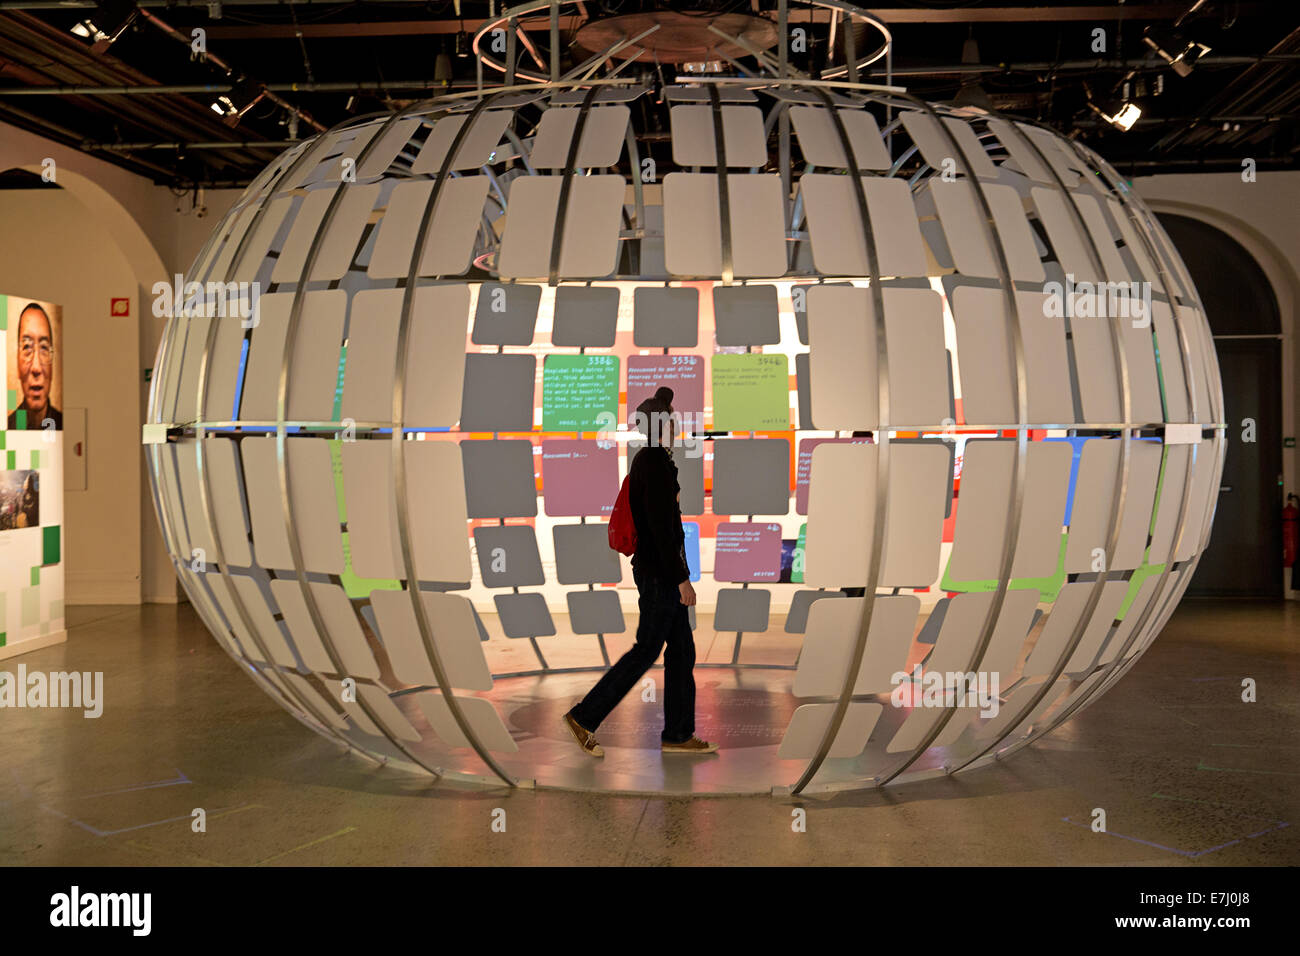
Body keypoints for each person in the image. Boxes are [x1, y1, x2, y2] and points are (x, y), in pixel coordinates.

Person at [563, 386, 718, 757]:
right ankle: (585, 717)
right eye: (672, 419)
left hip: (659, 571)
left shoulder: (655, 460)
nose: (678, 424)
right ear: (660, 425)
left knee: (681, 650)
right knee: (647, 649)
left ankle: (679, 734)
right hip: (659, 575)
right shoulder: (653, 463)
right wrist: (682, 579)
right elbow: (661, 530)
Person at [8, 303, 61, 431]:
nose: (36, 368)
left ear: (52, 366)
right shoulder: (7, 429)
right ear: (17, 362)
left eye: (44, 348)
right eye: (27, 347)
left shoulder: (65, 424)